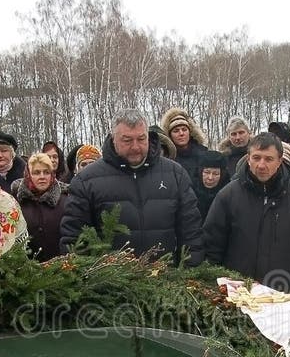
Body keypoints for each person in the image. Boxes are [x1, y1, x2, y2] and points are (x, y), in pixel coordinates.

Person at [59, 109, 204, 266]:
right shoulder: (86, 180)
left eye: (141, 139)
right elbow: (74, 240)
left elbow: (191, 232)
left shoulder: (175, 174)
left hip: (166, 280)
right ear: (114, 139)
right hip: (111, 284)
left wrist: (189, 273)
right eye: (127, 140)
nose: (135, 147)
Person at [204, 132, 290, 294]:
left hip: (282, 295)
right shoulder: (228, 196)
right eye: (256, 158)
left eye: (269, 159)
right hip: (238, 294)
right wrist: (215, 291)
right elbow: (211, 249)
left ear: (279, 161)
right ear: (248, 159)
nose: (261, 165)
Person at [12, 152, 69, 261]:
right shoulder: (16, 202)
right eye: (36, 172)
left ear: (52, 174)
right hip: (27, 270)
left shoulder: (65, 200)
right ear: (28, 175)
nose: (42, 177)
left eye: (46, 172)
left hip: (61, 267)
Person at [161, 107, 208, 192]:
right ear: (169, 135)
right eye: (176, 131)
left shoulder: (204, 154)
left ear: (190, 132)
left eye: (184, 129)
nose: (181, 133)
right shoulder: (166, 157)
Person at [196, 150, 229, 222]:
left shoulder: (229, 195)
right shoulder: (190, 193)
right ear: (200, 172)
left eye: (216, 174)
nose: (210, 177)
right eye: (207, 172)